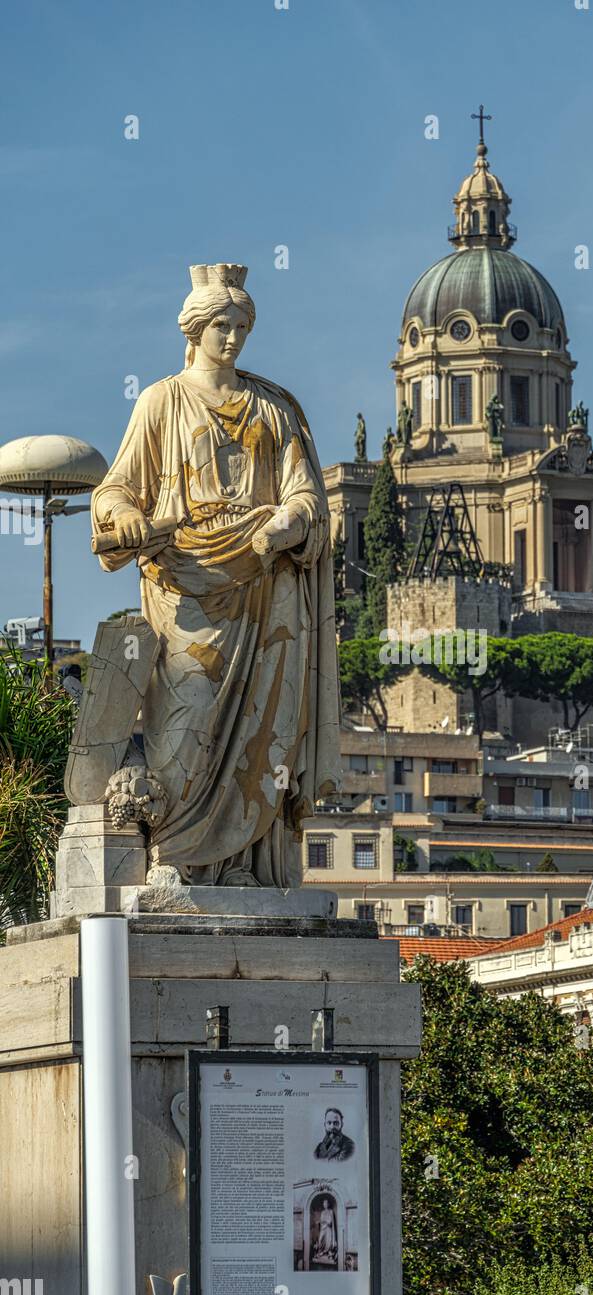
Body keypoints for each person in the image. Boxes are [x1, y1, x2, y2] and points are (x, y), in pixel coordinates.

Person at [90, 263, 341, 888]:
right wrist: (123, 517)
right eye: (222, 325)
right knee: (185, 721)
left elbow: (308, 495)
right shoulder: (161, 402)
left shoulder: (274, 407)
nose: (233, 338)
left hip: (265, 585)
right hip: (184, 585)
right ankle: (174, 851)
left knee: (264, 727)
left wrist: (289, 524)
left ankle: (250, 866)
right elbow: (117, 488)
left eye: (242, 326)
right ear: (194, 329)